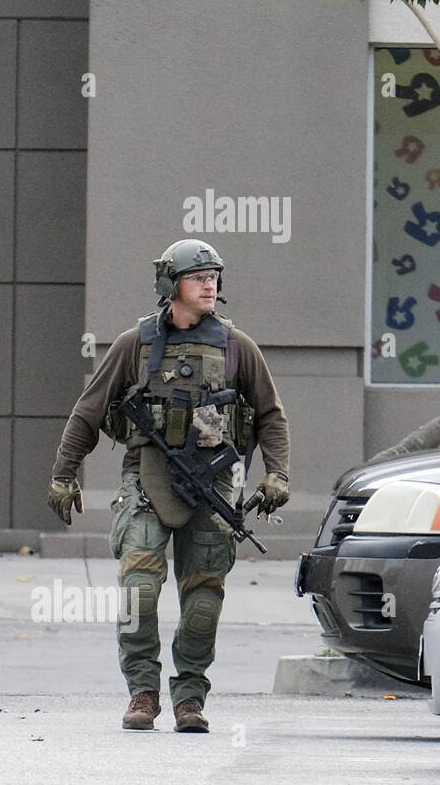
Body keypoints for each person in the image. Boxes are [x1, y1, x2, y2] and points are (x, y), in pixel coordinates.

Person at [47, 239, 290, 732]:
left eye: (214, 276)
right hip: (147, 479)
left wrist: (277, 473)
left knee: (203, 599)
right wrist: (62, 475)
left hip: (213, 486)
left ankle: (190, 698)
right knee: (139, 590)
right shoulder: (132, 345)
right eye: (198, 276)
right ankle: (142, 691)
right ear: (170, 285)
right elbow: (88, 413)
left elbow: (271, 416)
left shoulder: (237, 347)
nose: (209, 284)